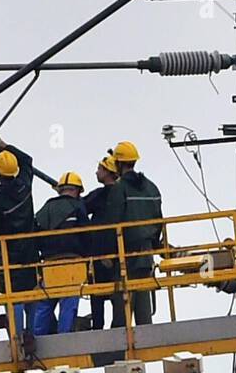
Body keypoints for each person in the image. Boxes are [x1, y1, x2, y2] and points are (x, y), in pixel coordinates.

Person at [104, 140, 163, 326]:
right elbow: (159, 220)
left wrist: (108, 254)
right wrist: (154, 244)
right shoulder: (151, 187)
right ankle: (146, 345)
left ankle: (120, 349)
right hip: (146, 255)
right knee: (144, 308)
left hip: (126, 256)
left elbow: (113, 222)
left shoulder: (119, 188)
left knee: (122, 310)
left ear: (119, 164)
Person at [0, 134, 36, 338]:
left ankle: (16, 335)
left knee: (12, 295)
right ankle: (32, 333)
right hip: (30, 250)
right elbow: (27, 160)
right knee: (32, 293)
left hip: (9, 254)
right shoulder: (24, 184)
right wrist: (1, 145)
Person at [33, 172, 87, 335]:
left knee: (45, 302)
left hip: (49, 263)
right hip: (72, 262)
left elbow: (35, 233)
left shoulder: (47, 208)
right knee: (69, 302)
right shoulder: (78, 207)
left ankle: (38, 337)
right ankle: (65, 338)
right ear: (77, 191)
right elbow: (87, 235)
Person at [82, 155, 119, 330]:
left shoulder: (100, 194)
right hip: (119, 252)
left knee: (97, 293)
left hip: (99, 251)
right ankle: (119, 326)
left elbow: (81, 207)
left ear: (108, 172)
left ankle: (98, 328)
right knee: (118, 293)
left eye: (99, 168)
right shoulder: (121, 194)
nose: (96, 171)